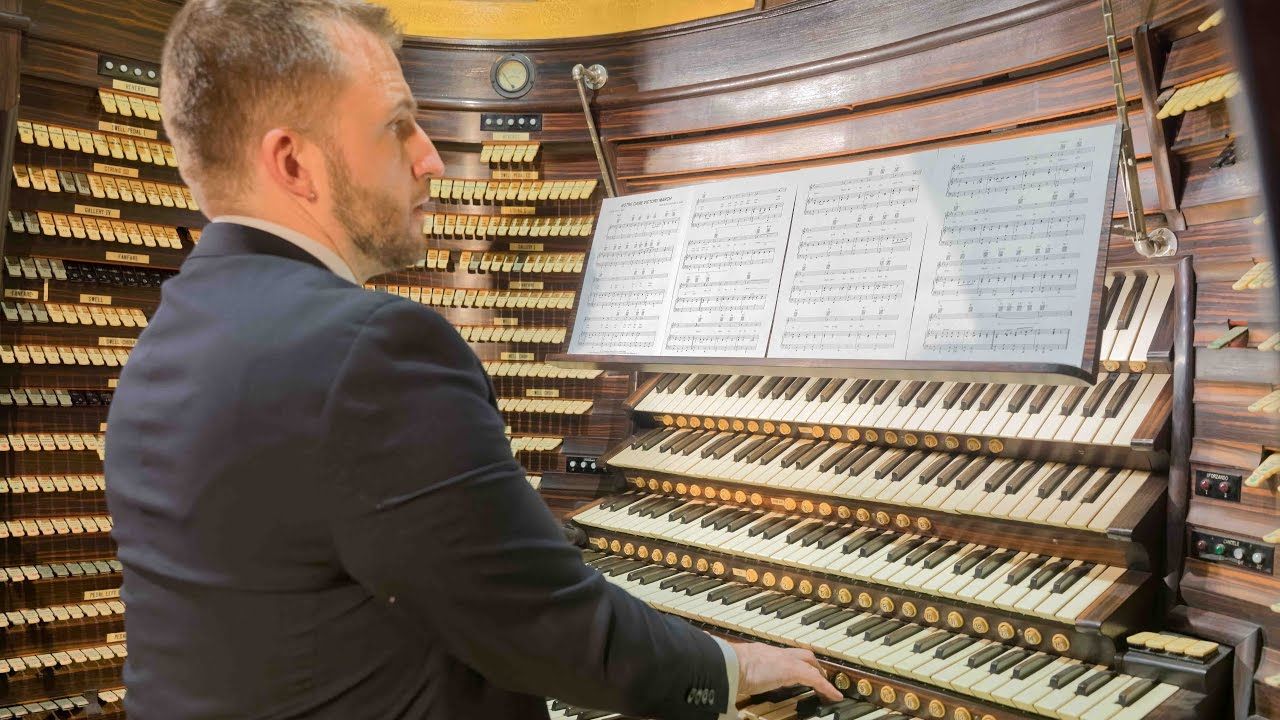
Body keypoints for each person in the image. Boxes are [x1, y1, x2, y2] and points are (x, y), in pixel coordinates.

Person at [103, 1, 842, 718]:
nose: (430, 157)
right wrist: (729, 668)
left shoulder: (169, 338)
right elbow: (544, 623)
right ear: (294, 163)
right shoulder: (369, 350)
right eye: (398, 127)